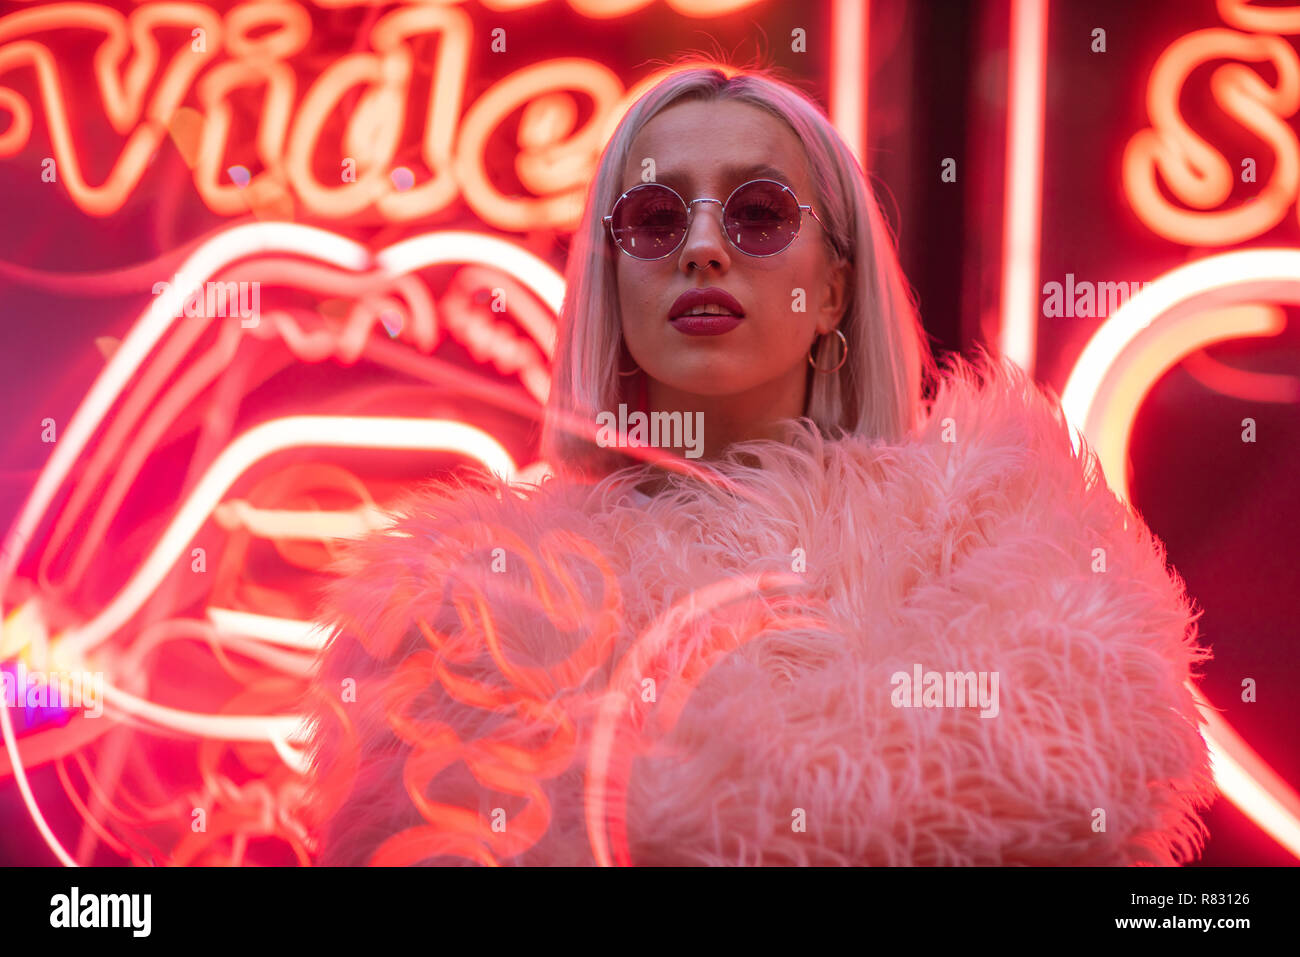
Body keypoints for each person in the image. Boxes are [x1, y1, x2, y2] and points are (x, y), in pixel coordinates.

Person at [299, 65, 1215, 866]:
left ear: (837, 291)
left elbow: (1067, 812)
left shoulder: (1004, 529)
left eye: (761, 213)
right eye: (656, 217)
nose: (704, 246)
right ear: (611, 283)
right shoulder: (474, 607)